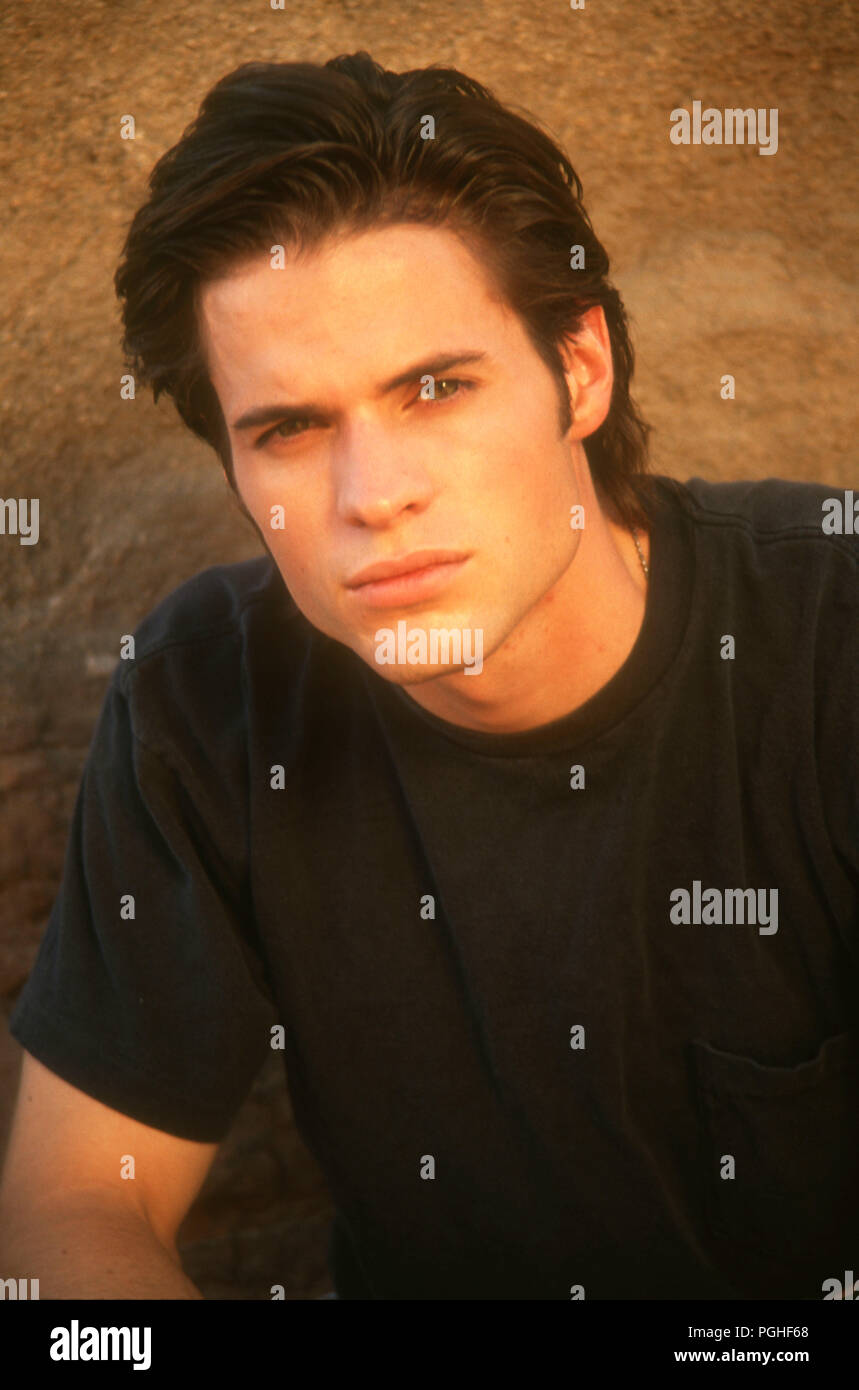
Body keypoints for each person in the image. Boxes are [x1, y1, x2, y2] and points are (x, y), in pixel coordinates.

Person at [1, 51, 856, 1301]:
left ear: (580, 370)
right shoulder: (207, 696)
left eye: (434, 388)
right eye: (289, 429)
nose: (373, 498)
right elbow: (72, 1207)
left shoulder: (829, 628)